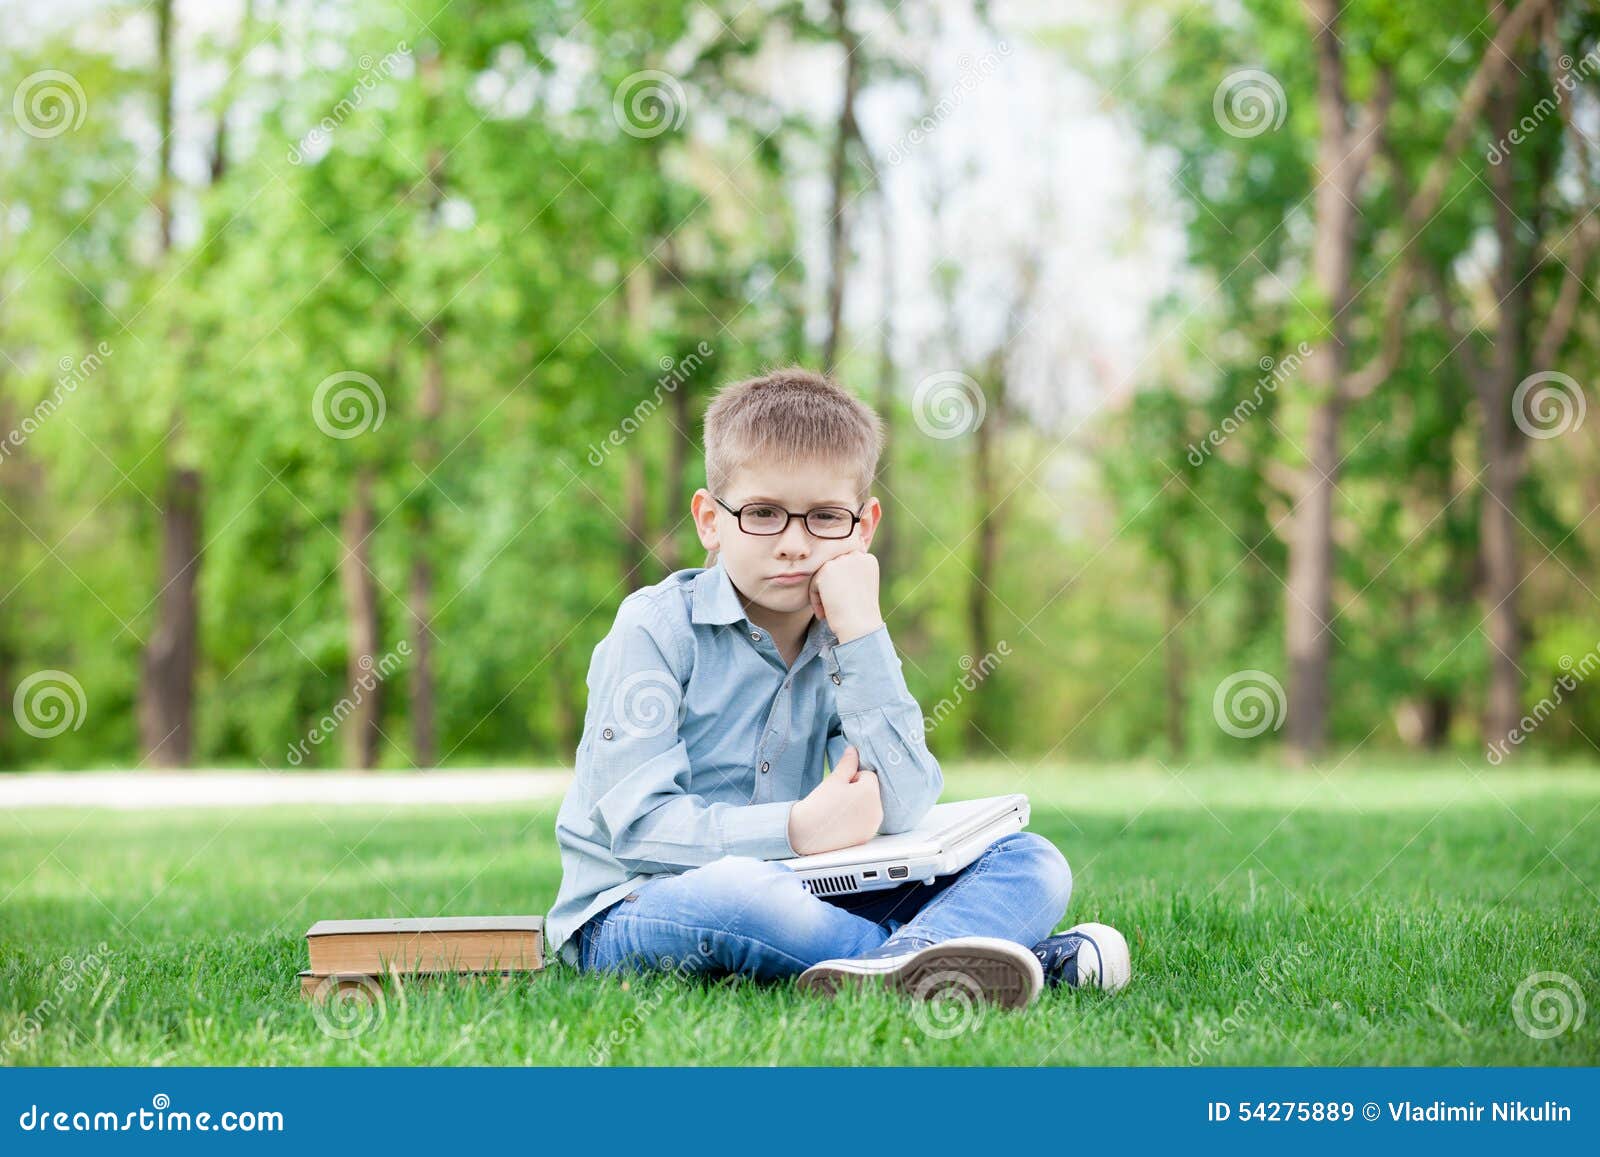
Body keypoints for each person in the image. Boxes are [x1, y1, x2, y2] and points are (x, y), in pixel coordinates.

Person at [545, 367, 1130, 1006]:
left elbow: (904, 805)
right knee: (742, 893)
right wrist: (795, 829)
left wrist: (863, 631)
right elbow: (637, 830)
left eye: (825, 517)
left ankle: (897, 966)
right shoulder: (655, 628)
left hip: (798, 890)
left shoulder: (844, 638)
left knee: (1029, 859)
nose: (794, 545)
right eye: (763, 513)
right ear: (711, 521)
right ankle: (965, 958)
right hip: (636, 905)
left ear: (863, 527)